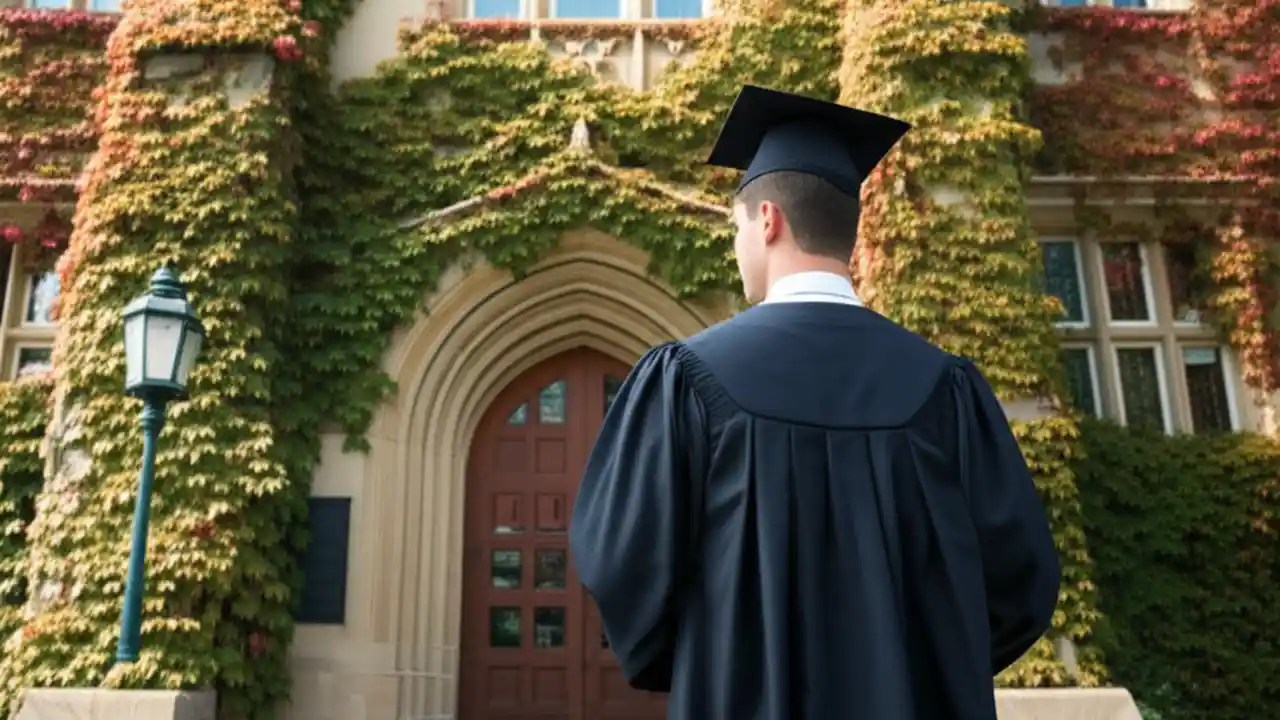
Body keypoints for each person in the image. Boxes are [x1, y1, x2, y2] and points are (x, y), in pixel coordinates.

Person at [568, 84, 1060, 720]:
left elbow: (621, 560)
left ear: (767, 219)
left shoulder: (687, 379)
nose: (737, 246)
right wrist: (928, 657)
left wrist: (711, 653)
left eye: (737, 227)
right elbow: (1021, 579)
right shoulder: (947, 389)